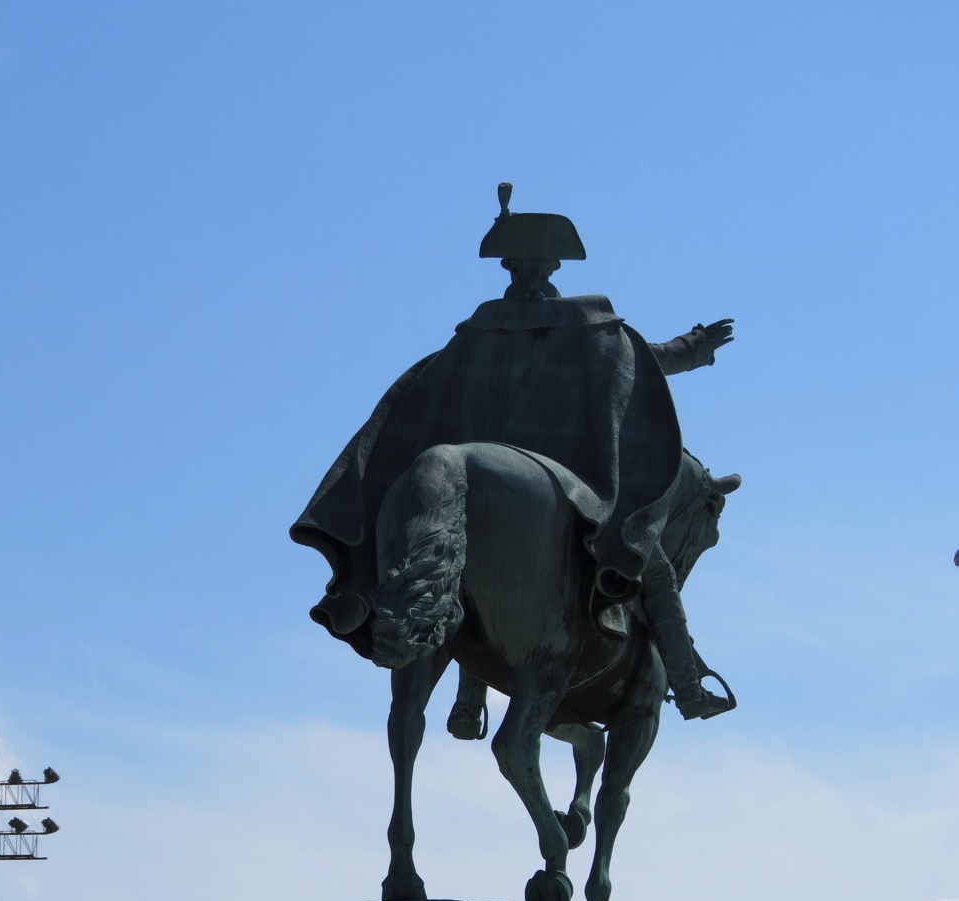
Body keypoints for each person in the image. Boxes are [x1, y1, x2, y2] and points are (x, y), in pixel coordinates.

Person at [291, 184, 738, 721]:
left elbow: (416, 401)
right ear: (551, 266)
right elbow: (644, 362)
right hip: (576, 479)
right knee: (653, 568)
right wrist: (698, 346)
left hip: (484, 461)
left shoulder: (471, 337)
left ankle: (463, 690)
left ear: (508, 267)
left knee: (454, 537)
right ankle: (689, 688)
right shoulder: (588, 326)